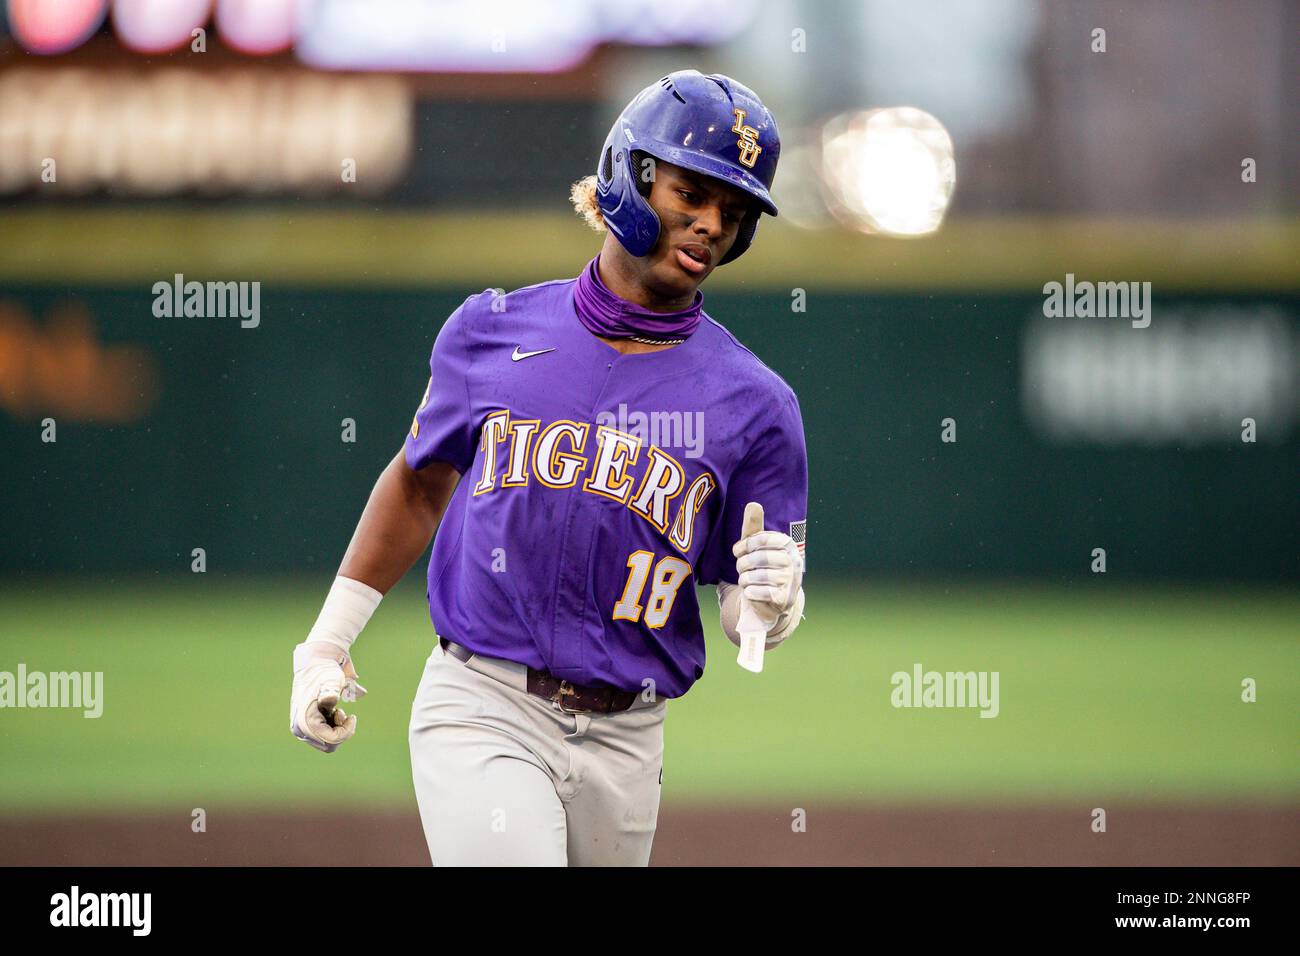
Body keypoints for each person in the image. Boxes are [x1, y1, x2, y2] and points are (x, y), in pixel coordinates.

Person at [289, 70, 808, 866]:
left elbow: (743, 612)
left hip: (630, 737)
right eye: (692, 193)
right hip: (484, 701)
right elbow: (421, 482)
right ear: (630, 173)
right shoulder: (491, 330)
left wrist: (773, 606)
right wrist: (326, 644)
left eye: (732, 213)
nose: (710, 225)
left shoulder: (758, 403)